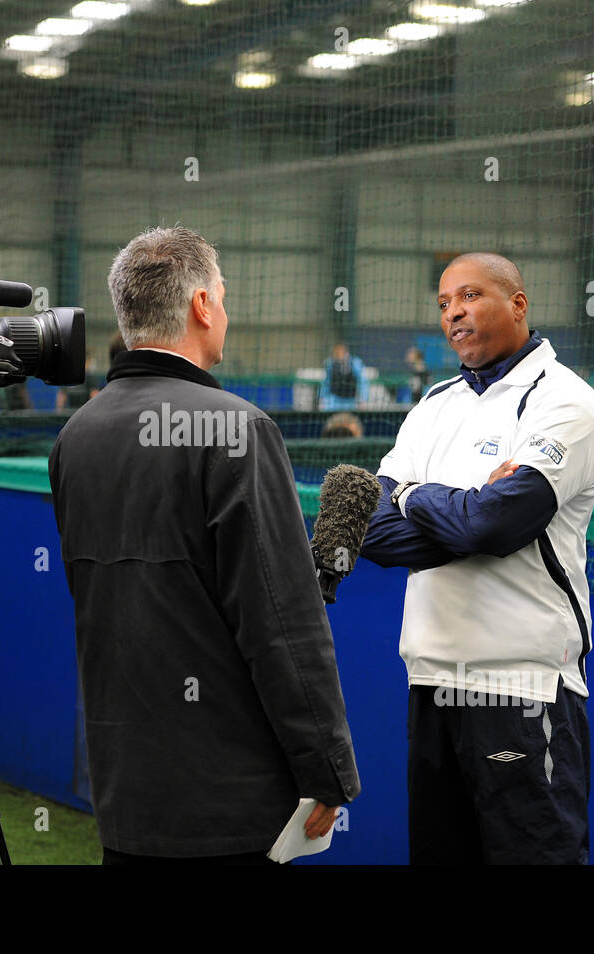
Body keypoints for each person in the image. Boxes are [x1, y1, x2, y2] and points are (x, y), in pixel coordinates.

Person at [49, 226, 360, 863]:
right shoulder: (236, 429)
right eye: (223, 295)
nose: (226, 310)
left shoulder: (76, 435)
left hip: (125, 794)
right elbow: (282, 623)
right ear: (200, 306)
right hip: (230, 805)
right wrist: (328, 769)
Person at [360, 252, 594, 865]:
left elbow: (499, 523)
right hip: (430, 683)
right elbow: (372, 530)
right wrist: (466, 512)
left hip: (522, 689)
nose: (454, 314)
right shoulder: (434, 406)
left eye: (469, 296)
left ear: (517, 303)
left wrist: (415, 497)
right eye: (444, 303)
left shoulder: (564, 402)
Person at [318, 342, 369, 410]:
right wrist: (322, 399)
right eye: (336, 354)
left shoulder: (355, 363)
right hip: (334, 400)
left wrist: (363, 399)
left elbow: (363, 382)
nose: (337, 356)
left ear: (346, 353)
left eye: (339, 353)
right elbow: (326, 382)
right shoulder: (330, 364)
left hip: (351, 400)